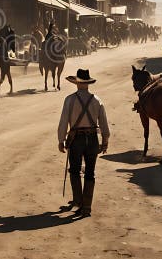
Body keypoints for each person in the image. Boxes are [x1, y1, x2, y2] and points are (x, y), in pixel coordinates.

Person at [57, 69, 110, 218]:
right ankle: (86, 207)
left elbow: (63, 122)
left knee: (74, 171)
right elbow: (104, 124)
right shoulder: (97, 100)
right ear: (87, 83)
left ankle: (78, 201)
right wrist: (105, 141)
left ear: (77, 83)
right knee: (90, 172)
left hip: (76, 140)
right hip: (93, 139)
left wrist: (61, 140)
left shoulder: (70, 100)